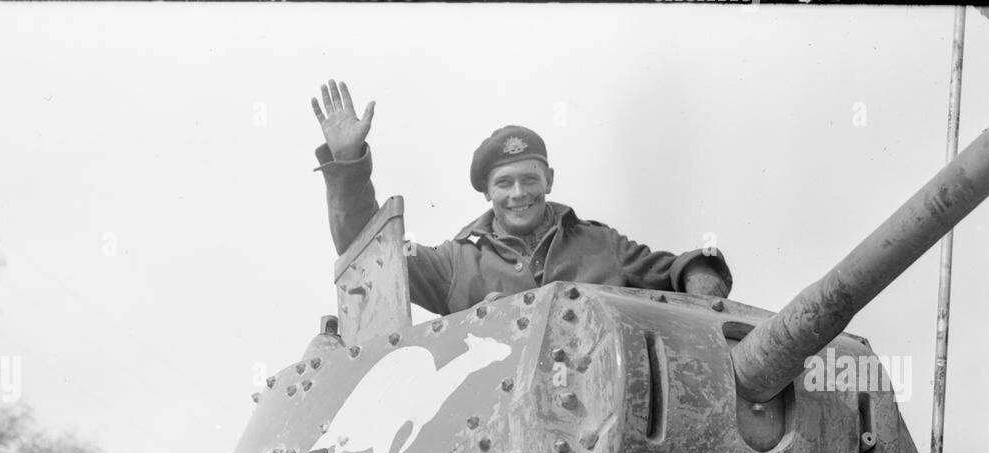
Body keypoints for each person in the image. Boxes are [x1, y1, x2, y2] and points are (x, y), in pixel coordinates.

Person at [310, 79, 733, 317]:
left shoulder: (603, 245)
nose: (519, 194)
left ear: (548, 179)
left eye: (529, 179)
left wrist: (701, 276)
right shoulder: (453, 264)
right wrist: (348, 164)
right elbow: (369, 253)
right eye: (504, 183)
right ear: (487, 192)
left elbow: (676, 269)